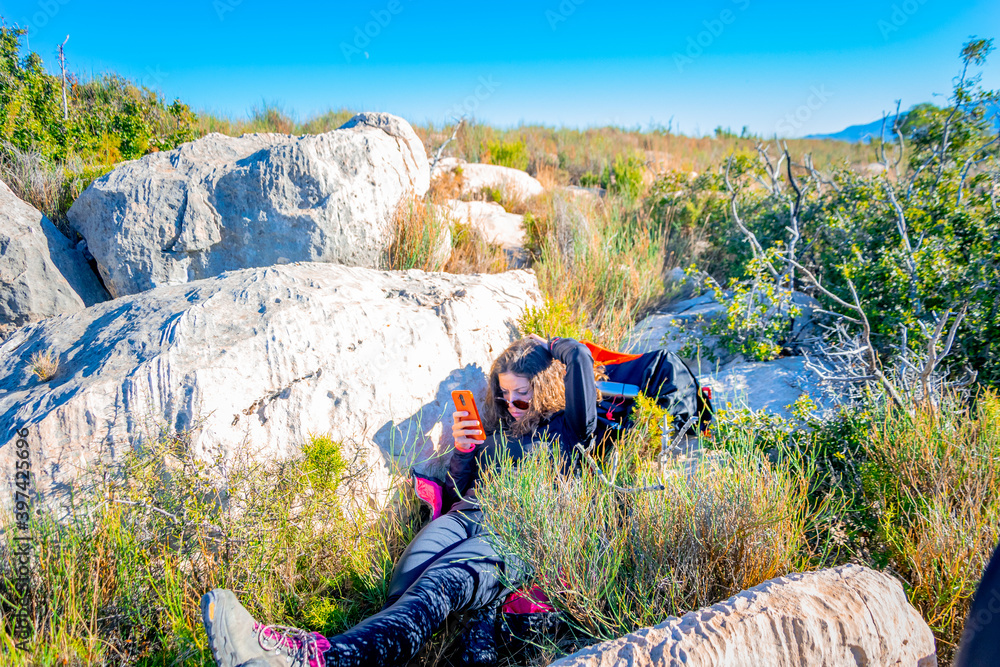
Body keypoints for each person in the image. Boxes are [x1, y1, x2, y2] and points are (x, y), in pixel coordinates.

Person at [200, 335, 599, 667]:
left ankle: (314, 658)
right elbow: (458, 490)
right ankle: (478, 629)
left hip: (517, 526)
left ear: (544, 388)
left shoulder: (567, 429)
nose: (512, 404)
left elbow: (579, 356)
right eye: (505, 393)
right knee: (406, 582)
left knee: (441, 585)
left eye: (523, 395)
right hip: (466, 516)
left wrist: (546, 345)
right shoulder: (497, 431)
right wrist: (462, 451)